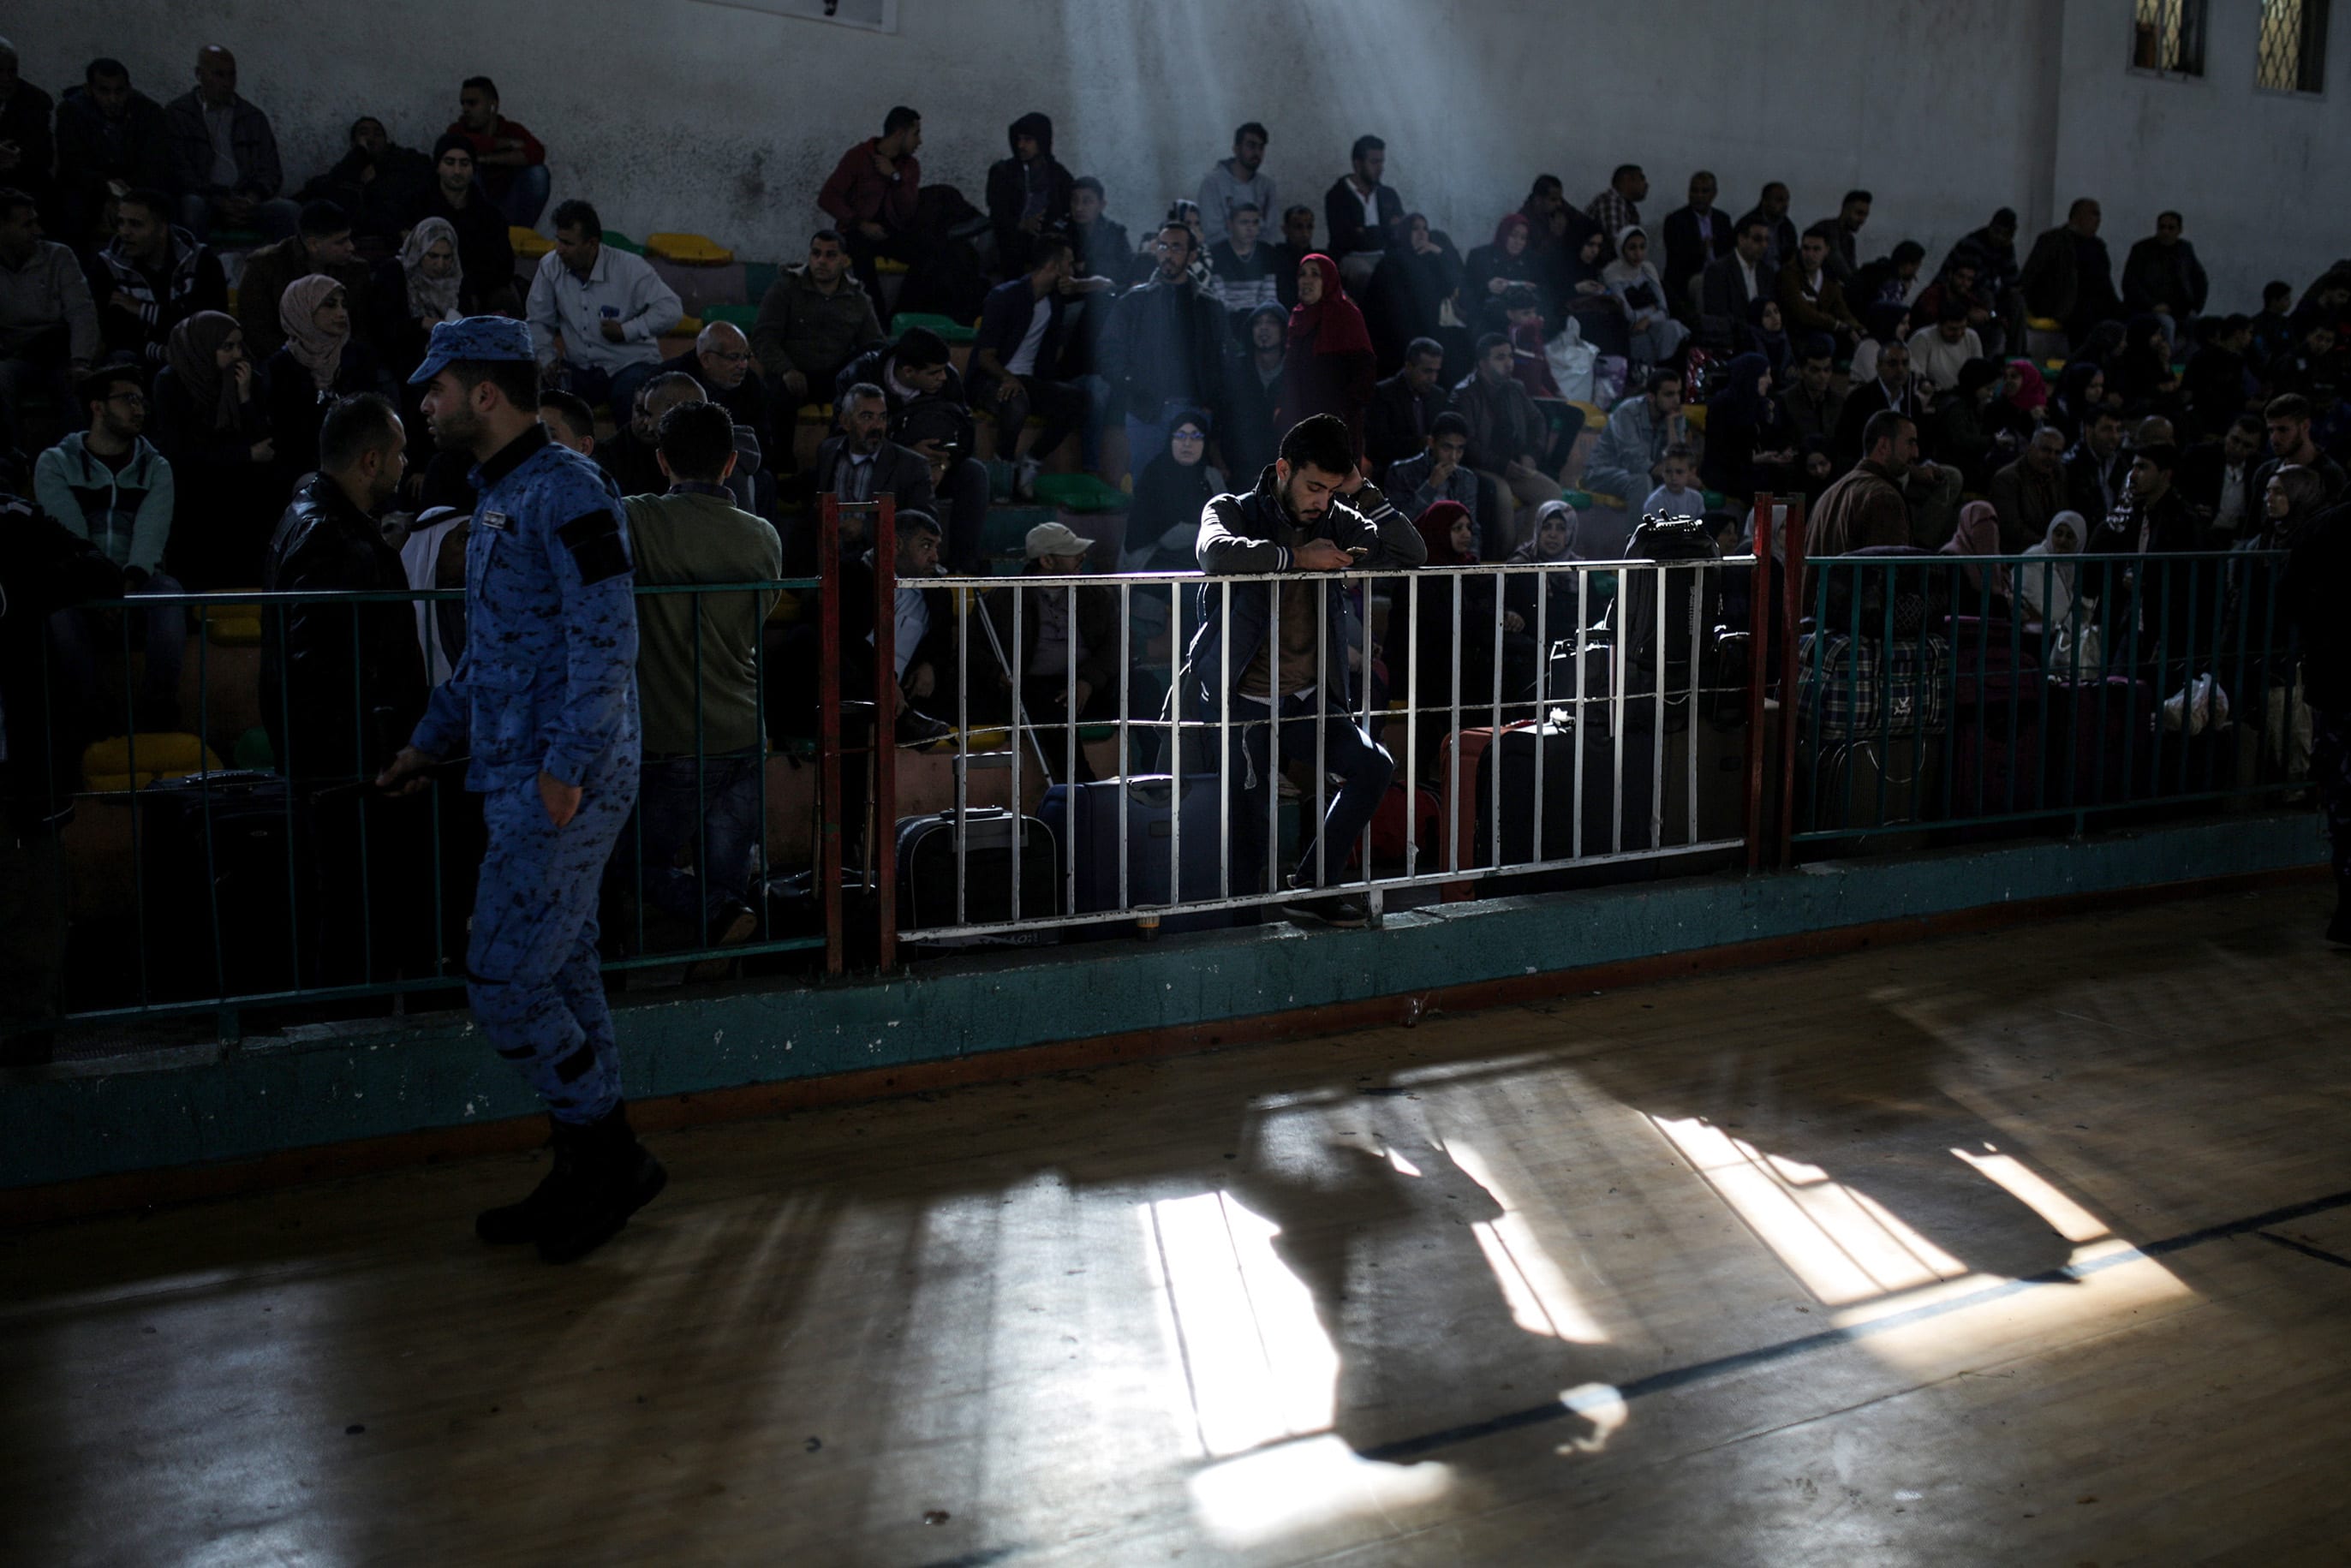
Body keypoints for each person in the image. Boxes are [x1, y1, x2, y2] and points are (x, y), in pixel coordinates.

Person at [375, 316, 659, 1264]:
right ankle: (587, 1166)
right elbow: (493, 658)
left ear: (484, 393)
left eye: (437, 388)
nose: (425, 404)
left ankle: (611, 1156)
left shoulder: (569, 492)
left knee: (501, 980)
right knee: (561, 971)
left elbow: (608, 643)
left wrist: (567, 770)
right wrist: (426, 745)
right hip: (512, 763)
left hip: (559, 777)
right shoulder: (500, 496)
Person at [1187, 414, 1427, 927]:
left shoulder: (1337, 517)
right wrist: (1297, 558)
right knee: (1249, 839)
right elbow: (1214, 553)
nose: (1321, 499)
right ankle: (1243, 942)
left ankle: (1314, 886)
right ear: (1282, 469)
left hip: (1307, 699)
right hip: (1242, 701)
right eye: (1314, 486)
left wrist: (1361, 491)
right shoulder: (1233, 509)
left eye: (1332, 489)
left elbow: (1410, 552)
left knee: (1374, 764)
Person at [618, 397, 780, 953]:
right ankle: (724, 951)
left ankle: (717, 914)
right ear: (731, 463)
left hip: (679, 736)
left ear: (661, 461)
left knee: (631, 863)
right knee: (728, 870)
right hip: (744, 729)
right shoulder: (763, 536)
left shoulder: (638, 517)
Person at [259, 391, 425, 780]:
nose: (404, 464)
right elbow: (322, 668)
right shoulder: (331, 538)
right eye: (398, 454)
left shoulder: (303, 515)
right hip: (346, 767)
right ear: (371, 460)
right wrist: (379, 749)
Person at [33, 362, 183, 729]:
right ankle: (92, 715)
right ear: (97, 407)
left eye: (142, 401)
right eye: (128, 399)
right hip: (81, 583)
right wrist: (99, 587)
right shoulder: (56, 462)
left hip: (136, 586)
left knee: (169, 592)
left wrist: (125, 589)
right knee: (55, 602)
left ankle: (156, 712)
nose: (139, 409)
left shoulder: (155, 466)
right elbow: (69, 535)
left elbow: (151, 533)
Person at [833, 328, 992, 571]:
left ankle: (963, 568)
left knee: (974, 473)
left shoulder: (947, 378)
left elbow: (966, 432)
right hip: (881, 466)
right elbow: (844, 439)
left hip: (935, 465)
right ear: (908, 371)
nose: (943, 377)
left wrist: (943, 463)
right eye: (934, 373)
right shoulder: (859, 375)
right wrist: (908, 455)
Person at [980, 521, 1125, 773]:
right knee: (1051, 705)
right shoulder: (1003, 599)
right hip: (1037, 687)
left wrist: (1087, 680)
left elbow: (1115, 645)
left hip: (1091, 683)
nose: (1082, 557)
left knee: (1145, 685)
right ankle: (1081, 789)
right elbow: (975, 649)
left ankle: (1164, 778)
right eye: (1071, 554)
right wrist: (999, 675)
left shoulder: (1096, 595)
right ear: (1046, 562)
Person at [146, 310, 274, 588]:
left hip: (238, 486)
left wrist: (244, 400)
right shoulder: (172, 383)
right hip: (192, 489)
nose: (238, 354)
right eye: (227, 347)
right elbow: (179, 453)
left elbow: (266, 447)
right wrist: (244, 455)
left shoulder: (249, 379)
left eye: (239, 345)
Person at [526, 199, 680, 415]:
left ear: (592, 244)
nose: (559, 250)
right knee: (540, 399)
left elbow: (671, 309)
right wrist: (547, 359)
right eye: (558, 240)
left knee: (632, 399)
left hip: (630, 365)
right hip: (578, 369)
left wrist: (627, 331)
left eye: (568, 244)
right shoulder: (550, 266)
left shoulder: (630, 267)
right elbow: (538, 320)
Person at [1101, 220, 1227, 480]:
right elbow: (1109, 351)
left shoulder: (1208, 305)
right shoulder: (1134, 302)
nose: (1168, 254)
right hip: (1146, 411)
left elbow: (1224, 358)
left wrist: (1211, 401)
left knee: (1190, 490)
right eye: (1163, 246)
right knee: (1146, 484)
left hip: (1193, 409)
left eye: (1177, 247)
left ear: (1192, 255)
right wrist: (1132, 386)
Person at [2282, 476, 2351, 942]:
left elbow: (2289, 596)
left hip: (2337, 684)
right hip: (2336, 682)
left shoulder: (2322, 529)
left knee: (2344, 804)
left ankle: (2349, 910)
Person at [971, 233, 1090, 492]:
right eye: (1068, 264)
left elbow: (1104, 286)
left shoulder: (1053, 303)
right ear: (1054, 266)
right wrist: (1007, 377)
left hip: (1028, 381)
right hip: (992, 379)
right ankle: (1004, 472)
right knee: (1015, 401)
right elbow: (984, 356)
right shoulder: (1005, 296)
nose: (1072, 270)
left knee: (1077, 400)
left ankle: (1032, 460)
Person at [799, 383, 938, 574]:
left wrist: (866, 529)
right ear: (845, 421)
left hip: (880, 566)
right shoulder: (828, 451)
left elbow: (923, 524)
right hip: (828, 561)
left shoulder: (911, 465)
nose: (877, 426)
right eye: (867, 417)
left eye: (882, 417)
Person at [162, 45, 297, 241]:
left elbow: (271, 170)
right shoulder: (179, 115)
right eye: (219, 75)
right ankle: (193, 269)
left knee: (289, 211)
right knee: (192, 207)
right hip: (205, 200)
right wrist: (218, 200)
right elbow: (178, 170)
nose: (227, 83)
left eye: (231, 75)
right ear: (199, 75)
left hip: (247, 201)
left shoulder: (252, 117)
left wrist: (252, 198)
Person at [749, 229, 885, 421]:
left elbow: (873, 346)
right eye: (816, 253)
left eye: (830, 255)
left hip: (836, 377)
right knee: (778, 395)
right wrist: (786, 369)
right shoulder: (785, 289)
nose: (821, 260)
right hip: (791, 373)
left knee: (873, 361)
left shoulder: (858, 300)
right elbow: (764, 337)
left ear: (844, 260)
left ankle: (844, 450)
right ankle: (779, 452)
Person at [84, 186, 227, 370]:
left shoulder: (201, 261)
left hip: (193, 360)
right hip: (137, 360)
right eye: (121, 222)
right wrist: (160, 350)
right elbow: (115, 335)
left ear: (162, 229)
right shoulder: (107, 266)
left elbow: (208, 328)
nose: (124, 232)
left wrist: (142, 310)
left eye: (135, 224)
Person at [266, 275, 384, 495]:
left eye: (343, 305)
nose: (341, 313)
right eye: (329, 305)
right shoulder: (281, 366)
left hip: (357, 464)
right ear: (302, 309)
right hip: (299, 471)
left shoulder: (360, 357)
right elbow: (284, 433)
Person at [1451, 332, 1562, 543]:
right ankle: (1502, 558)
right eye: (1500, 357)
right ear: (1483, 363)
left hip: (1513, 464)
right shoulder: (1465, 394)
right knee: (1501, 494)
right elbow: (1468, 445)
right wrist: (1502, 465)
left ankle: (1522, 553)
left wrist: (1531, 454)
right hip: (1479, 467)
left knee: (1551, 491)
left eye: (1510, 356)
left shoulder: (1514, 388)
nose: (1509, 363)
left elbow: (1537, 421)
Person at [53, 58, 173, 247]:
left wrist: (125, 196)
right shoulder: (72, 112)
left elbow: (155, 163)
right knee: (71, 209)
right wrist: (106, 188)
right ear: (89, 89)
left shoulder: (148, 112)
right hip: (90, 190)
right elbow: (73, 165)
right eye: (104, 91)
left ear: (129, 88)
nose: (113, 99)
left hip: (136, 187)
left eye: (119, 91)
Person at [0, 187, 98, 416]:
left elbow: (81, 312)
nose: (38, 230)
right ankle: (10, 451)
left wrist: (81, 361)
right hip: (14, 356)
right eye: (27, 225)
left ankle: (77, 451)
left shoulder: (59, 256)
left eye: (35, 222)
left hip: (59, 354)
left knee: (74, 385)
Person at [817, 105, 924, 310]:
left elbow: (908, 210)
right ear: (900, 134)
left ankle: (902, 314)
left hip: (892, 232)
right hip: (855, 230)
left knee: (927, 254)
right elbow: (827, 197)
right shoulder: (859, 157)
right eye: (915, 134)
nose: (919, 141)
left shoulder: (909, 167)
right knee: (861, 253)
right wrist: (861, 223)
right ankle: (877, 320)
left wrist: (895, 177)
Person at [236, 199, 369, 361]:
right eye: (340, 242)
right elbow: (257, 332)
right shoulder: (265, 266)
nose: (351, 247)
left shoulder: (356, 270)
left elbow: (363, 329)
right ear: (313, 244)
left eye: (349, 238)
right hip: (282, 362)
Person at [1807, 411, 1949, 557]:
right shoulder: (1883, 496)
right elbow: (1892, 573)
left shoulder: (1828, 495)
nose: (1916, 453)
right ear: (1884, 446)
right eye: (1910, 443)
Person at [406, 136, 517, 316]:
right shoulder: (417, 207)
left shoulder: (489, 216)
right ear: (438, 167)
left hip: (477, 290)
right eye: (450, 163)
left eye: (464, 164)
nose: (457, 171)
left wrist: (468, 287)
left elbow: (503, 267)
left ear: (473, 169)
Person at [1283, 253, 1376, 462]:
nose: (1307, 280)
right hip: (1301, 425)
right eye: (1302, 274)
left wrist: (1339, 414)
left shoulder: (1346, 315)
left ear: (1329, 280)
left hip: (1337, 429)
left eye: (1315, 275)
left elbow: (1365, 374)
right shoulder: (1298, 318)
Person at [372, 217, 475, 388]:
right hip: (403, 357)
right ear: (419, 251)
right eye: (433, 256)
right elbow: (383, 327)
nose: (440, 264)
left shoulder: (457, 280)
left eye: (447, 257)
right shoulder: (394, 273)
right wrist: (422, 323)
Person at [296, 115, 433, 242]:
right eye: (364, 133)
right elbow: (329, 185)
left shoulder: (405, 164)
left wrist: (373, 184)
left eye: (377, 134)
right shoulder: (345, 174)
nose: (371, 138)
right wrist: (360, 153)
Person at [657, 321, 772, 471]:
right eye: (734, 357)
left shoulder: (752, 385)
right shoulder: (670, 382)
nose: (743, 365)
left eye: (746, 357)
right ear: (706, 359)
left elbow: (762, 440)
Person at [445, 76, 549, 228]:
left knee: (538, 173)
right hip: (472, 212)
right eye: (463, 104)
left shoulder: (512, 130)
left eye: (472, 103)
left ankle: (517, 236)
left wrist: (487, 158)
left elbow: (536, 153)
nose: (466, 109)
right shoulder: (457, 129)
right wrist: (504, 144)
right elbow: (462, 144)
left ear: (493, 105)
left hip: (509, 208)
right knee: (467, 168)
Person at [1124, 411, 1219, 571]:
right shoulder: (1156, 474)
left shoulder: (1211, 476)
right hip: (1148, 559)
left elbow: (1226, 521)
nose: (1187, 443)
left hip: (1198, 553)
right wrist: (1210, 532)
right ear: (1171, 440)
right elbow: (1170, 538)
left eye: (1196, 437)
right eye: (1180, 436)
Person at [2021, 199, 2121, 347]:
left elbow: (2105, 284)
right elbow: (2031, 276)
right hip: (2061, 303)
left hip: (2096, 302)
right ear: (2078, 216)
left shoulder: (2098, 247)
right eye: (2094, 214)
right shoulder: (2052, 241)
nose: (2098, 220)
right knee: (2086, 317)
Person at [985, 111, 1071, 278]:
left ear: (1042, 141)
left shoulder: (1057, 175)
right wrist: (1021, 224)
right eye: (1018, 139)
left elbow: (1069, 209)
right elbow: (997, 215)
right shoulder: (1003, 173)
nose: (1021, 145)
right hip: (1011, 253)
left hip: (1049, 253)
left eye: (1028, 140)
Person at [1584, 367, 1685, 506]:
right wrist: (1675, 473)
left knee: (1683, 485)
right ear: (1651, 397)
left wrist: (1671, 425)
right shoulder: (1628, 412)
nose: (1676, 400)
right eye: (1669, 395)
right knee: (1642, 482)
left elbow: (1678, 460)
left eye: (1678, 394)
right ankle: (1640, 529)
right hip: (1603, 473)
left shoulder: (1675, 416)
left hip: (1648, 474)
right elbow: (1634, 462)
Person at [1699, 353, 1789, 504]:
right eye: (1765, 375)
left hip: (1757, 465)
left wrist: (1782, 451)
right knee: (1764, 482)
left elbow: (1773, 436)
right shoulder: (1722, 405)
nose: (1770, 381)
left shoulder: (1763, 404)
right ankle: (1761, 527)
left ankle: (1792, 527)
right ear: (1750, 377)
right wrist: (1754, 458)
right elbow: (1719, 451)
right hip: (1727, 471)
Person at [600, 370, 704, 498]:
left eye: (650, 413)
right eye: (640, 411)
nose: (646, 422)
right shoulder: (606, 457)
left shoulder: (691, 452)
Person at [1323, 135, 1405, 291]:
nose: (1380, 167)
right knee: (1367, 275)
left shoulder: (1388, 195)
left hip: (1386, 255)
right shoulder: (1337, 196)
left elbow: (1400, 231)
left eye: (1382, 161)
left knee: (1408, 269)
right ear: (1357, 164)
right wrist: (1384, 230)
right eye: (1374, 162)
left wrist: (1365, 232)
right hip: (1351, 257)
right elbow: (1344, 239)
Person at [1835, 337, 1929, 468]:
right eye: (1893, 364)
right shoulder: (1860, 398)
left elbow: (1922, 443)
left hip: (1907, 466)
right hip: (1872, 467)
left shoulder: (1913, 402)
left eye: (1905, 363)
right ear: (1878, 367)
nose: (1900, 369)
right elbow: (1849, 445)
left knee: (1951, 476)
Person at [1602, 225, 1686, 369]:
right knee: (1642, 341)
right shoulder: (1612, 273)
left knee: (1672, 328)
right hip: (1628, 330)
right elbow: (1627, 315)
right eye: (1632, 248)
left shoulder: (1647, 269)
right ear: (1622, 249)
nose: (1638, 254)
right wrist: (1650, 310)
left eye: (1642, 247)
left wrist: (1647, 320)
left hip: (1651, 325)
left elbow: (1664, 310)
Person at [1223, 301, 1289, 483]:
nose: (1264, 328)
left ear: (1284, 330)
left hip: (1284, 472)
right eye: (1258, 323)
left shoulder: (1295, 372)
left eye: (1271, 323)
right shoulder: (1237, 370)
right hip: (1239, 470)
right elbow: (1223, 420)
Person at [1364, 336, 1447, 479]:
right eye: (1427, 371)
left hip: (1432, 469)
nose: (1433, 378)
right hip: (1394, 471)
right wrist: (1420, 443)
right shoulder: (1383, 394)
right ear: (1409, 366)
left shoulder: (1438, 395)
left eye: (1436, 372)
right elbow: (1377, 446)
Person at [2178, 413, 2267, 544]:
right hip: (2199, 535)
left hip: (2239, 540)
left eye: (2247, 446)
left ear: (2257, 449)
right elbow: (2178, 491)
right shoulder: (2198, 456)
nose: (2238, 448)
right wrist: (2192, 509)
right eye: (2235, 440)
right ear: (2227, 435)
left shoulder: (2260, 468)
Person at [2252, 392, 2348, 508]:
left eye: (2283, 430)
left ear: (2305, 426)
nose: (2274, 438)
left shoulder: (2331, 476)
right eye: (2271, 431)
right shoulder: (2265, 472)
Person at [1661, 170, 1734, 322]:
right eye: (1694, 190)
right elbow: (1676, 260)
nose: (1698, 196)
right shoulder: (1676, 220)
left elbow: (1728, 253)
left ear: (1714, 194)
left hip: (1719, 273)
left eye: (1704, 191)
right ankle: (1707, 326)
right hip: (1688, 277)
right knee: (1702, 283)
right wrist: (1700, 251)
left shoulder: (1723, 220)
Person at [1387, 409, 1481, 528]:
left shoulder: (1467, 479)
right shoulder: (1401, 473)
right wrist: (1430, 486)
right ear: (1431, 442)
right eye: (1447, 448)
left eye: (1459, 449)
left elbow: (1472, 528)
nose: (1453, 457)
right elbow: (1398, 525)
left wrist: (1472, 546)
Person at [1778, 337, 1847, 496]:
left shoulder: (1838, 403)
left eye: (1827, 370)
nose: (1822, 376)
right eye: (1815, 370)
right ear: (1802, 371)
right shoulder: (1786, 401)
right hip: (1799, 474)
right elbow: (1782, 443)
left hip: (1832, 473)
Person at [1778, 230, 1863, 359]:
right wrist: (1837, 325)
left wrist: (1859, 329)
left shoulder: (1829, 280)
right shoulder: (1789, 275)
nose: (1810, 255)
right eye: (1806, 248)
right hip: (1793, 337)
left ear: (1826, 250)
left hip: (1821, 333)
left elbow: (1842, 311)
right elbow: (1803, 313)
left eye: (1816, 249)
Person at [2121, 211, 2208, 335]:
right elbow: (2130, 283)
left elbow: (2200, 279)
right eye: (2162, 227)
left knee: (2198, 329)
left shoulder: (2185, 250)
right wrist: (2152, 305)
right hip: (2148, 310)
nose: (2165, 232)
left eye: (2171, 228)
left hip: (2181, 310)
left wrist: (2196, 307)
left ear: (2179, 230)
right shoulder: (2142, 250)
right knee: (2167, 325)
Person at [1990, 425, 2071, 553]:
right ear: (2031, 449)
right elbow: (2012, 530)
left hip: (2053, 552)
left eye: (2057, 453)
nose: (2052, 457)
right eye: (2046, 450)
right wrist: (2049, 545)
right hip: (2021, 556)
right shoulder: (2006, 479)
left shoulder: (2059, 474)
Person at [1198, 122, 1275, 250]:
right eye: (1251, 146)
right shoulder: (1212, 183)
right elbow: (1212, 231)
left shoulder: (1267, 186)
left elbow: (1271, 232)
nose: (1257, 153)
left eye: (1261, 147)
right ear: (1236, 149)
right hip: (1223, 258)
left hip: (1260, 259)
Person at [1700, 215, 1773, 351]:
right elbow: (1718, 314)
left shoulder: (1767, 272)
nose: (1764, 245)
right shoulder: (1718, 270)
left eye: (1766, 240)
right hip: (1733, 340)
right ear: (1741, 239)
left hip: (1763, 338)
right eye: (1757, 239)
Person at [2180, 314, 2255, 441]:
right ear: (2238, 333)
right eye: (2249, 332)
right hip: (2218, 416)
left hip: (2209, 414)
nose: (2251, 337)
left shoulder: (2200, 356)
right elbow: (2236, 398)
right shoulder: (2233, 361)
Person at [1938, 499, 2014, 617]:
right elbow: (1963, 605)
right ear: (1967, 526)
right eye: (1980, 526)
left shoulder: (1998, 564)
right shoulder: (1950, 558)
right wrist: (2005, 605)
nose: (1987, 532)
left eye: (1992, 526)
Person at [2016, 510, 2086, 635]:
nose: (2062, 540)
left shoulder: (2078, 566)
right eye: (2058, 534)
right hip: (2039, 634)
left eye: (2070, 536)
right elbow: (2034, 601)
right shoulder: (2034, 558)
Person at [1207, 202, 1281, 319]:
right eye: (1244, 222)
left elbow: (1269, 295)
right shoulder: (1217, 253)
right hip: (1227, 317)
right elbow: (1219, 299)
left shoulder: (1266, 252)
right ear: (1230, 225)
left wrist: (1260, 315)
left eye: (1255, 223)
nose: (1250, 228)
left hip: (1259, 317)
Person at [1906, 299, 1983, 393]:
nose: (1958, 334)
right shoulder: (1922, 339)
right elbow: (1917, 378)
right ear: (1939, 325)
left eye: (1963, 328)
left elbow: (1979, 374)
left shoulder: (1972, 337)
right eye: (1952, 329)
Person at [2066, 407, 2128, 522]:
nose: (2114, 437)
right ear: (2089, 430)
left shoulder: (2120, 462)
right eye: (2107, 429)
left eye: (2118, 430)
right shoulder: (2072, 465)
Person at [1068, 177, 1130, 284]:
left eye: (1087, 202)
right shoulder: (1062, 231)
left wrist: (1087, 266)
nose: (1079, 208)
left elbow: (1125, 268)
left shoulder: (1115, 232)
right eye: (1075, 201)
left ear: (1101, 205)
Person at [1733, 181, 1799, 277]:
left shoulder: (1787, 227)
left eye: (1787, 200)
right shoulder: (1748, 223)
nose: (1785, 205)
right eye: (1779, 200)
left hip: (1780, 277)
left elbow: (1791, 256)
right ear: (1765, 201)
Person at [1805, 190, 1871, 283]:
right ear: (1845, 209)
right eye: (1859, 213)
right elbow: (1839, 264)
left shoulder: (1849, 239)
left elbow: (1852, 270)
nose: (1862, 220)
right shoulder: (1827, 229)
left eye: (1865, 215)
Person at [1584, 164, 1647, 262]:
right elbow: (1618, 245)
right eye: (1642, 179)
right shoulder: (1612, 201)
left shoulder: (1624, 205)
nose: (1646, 185)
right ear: (1627, 179)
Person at [1645, 444, 1706, 521]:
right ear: (1662, 472)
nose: (1673, 477)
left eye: (1679, 472)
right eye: (1668, 471)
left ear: (1691, 472)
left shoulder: (1697, 499)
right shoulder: (1655, 502)